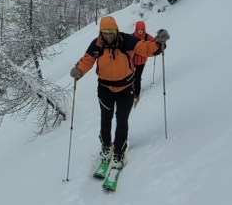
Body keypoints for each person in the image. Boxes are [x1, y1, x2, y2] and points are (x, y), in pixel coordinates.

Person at [70, 16, 168, 169]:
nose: (109, 35)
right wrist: (79, 70)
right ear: (101, 32)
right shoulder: (97, 44)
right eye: (105, 32)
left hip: (126, 88)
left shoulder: (128, 41)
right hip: (105, 89)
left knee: (122, 119)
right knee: (106, 118)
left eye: (111, 32)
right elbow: (87, 60)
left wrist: (159, 43)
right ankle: (106, 145)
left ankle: (119, 150)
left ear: (116, 30)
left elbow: (146, 48)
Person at [129, 20, 159, 108]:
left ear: (144, 29)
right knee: (131, 77)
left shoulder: (146, 36)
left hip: (141, 62)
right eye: (139, 29)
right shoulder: (132, 36)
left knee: (137, 77)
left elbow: (154, 43)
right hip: (132, 61)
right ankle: (130, 91)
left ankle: (136, 94)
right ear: (136, 29)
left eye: (142, 29)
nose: (140, 31)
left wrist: (159, 42)